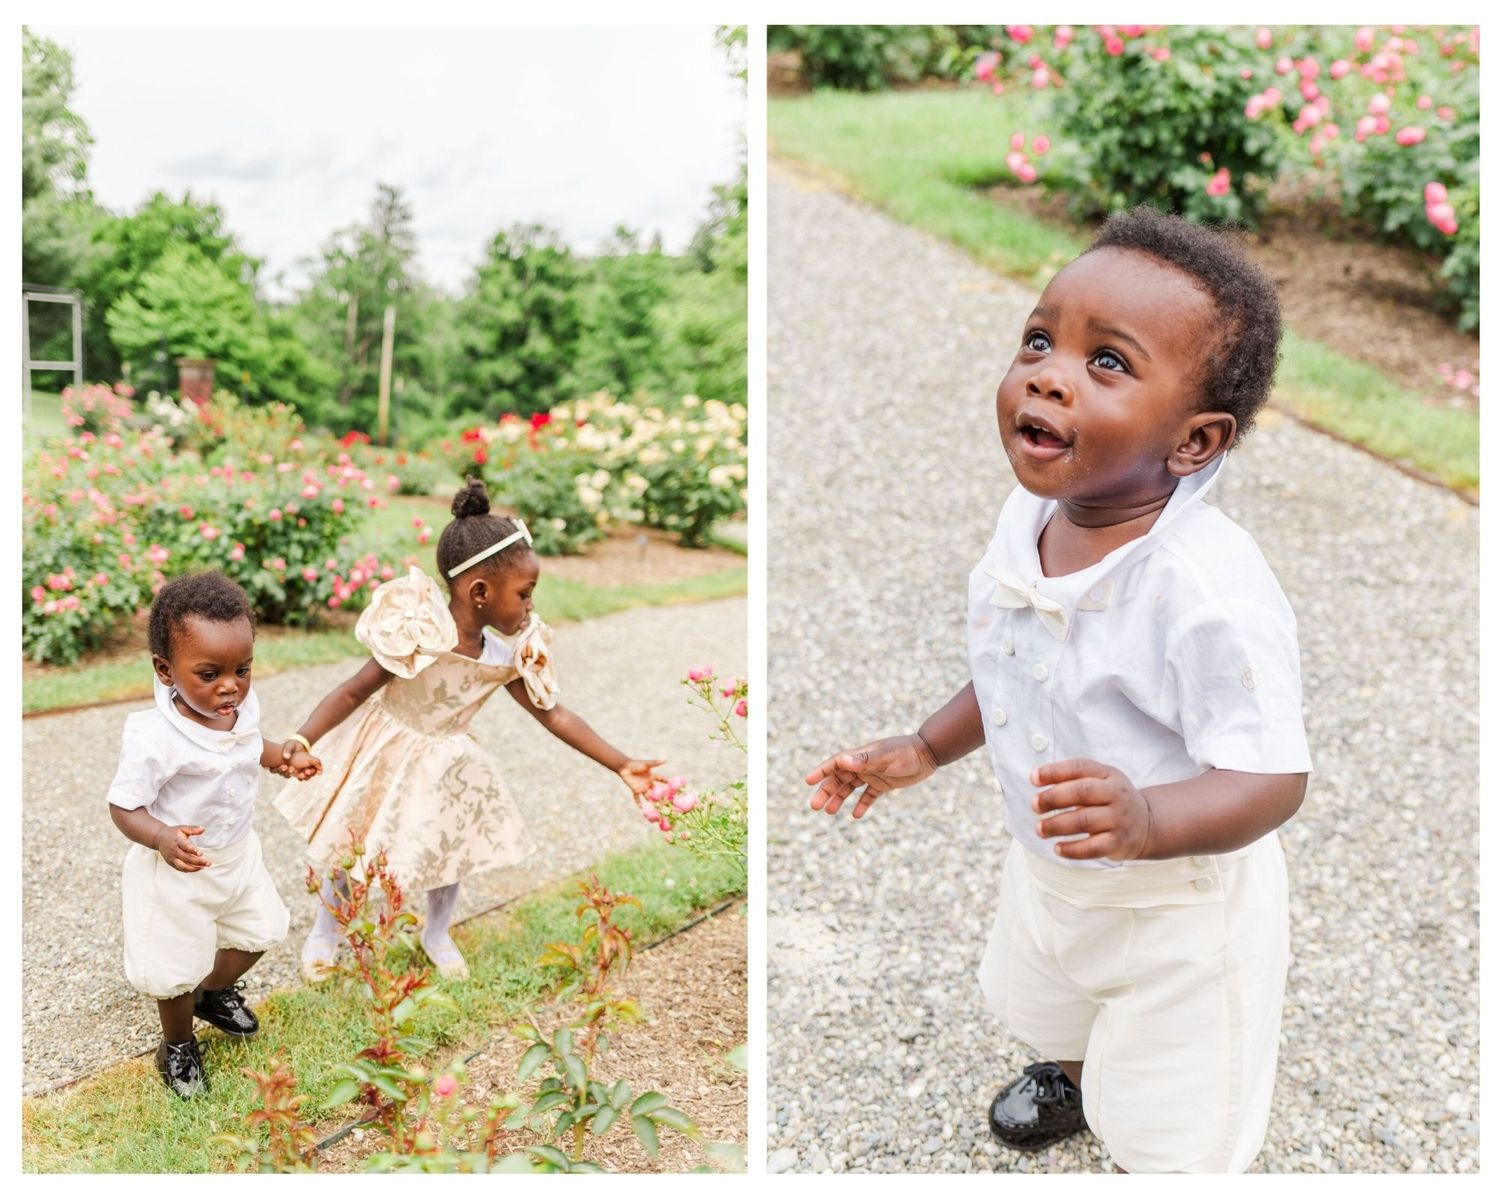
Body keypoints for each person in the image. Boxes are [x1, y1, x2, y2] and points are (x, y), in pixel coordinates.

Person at [806, 207, 1311, 1174]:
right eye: (1039, 341)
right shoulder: (1032, 516)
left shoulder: (1204, 590)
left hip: (1175, 895)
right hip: (1056, 865)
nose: (1047, 374)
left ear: (1195, 442)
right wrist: (928, 745)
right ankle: (1076, 1073)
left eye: (1106, 362)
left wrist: (1149, 820)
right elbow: (1015, 661)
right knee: (1052, 992)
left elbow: (1273, 777)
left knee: (1175, 1099)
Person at [275, 478, 666, 983]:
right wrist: (303, 738)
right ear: (480, 592)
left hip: (450, 767)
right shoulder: (418, 637)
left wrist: (621, 763)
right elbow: (353, 690)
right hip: (385, 751)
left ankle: (437, 933)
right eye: (524, 594)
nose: (530, 606)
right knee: (354, 845)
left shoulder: (503, 656)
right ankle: (325, 935)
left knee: (449, 850)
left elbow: (555, 714)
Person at [108, 571, 318, 1098]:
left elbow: (249, 744)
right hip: (177, 866)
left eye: (242, 669)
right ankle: (177, 1045)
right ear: (165, 670)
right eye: (210, 673)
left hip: (237, 855)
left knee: (264, 928)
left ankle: (214, 992)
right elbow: (123, 805)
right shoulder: (156, 738)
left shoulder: (237, 709)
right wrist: (160, 836)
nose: (231, 686)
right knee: (173, 966)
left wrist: (283, 757)